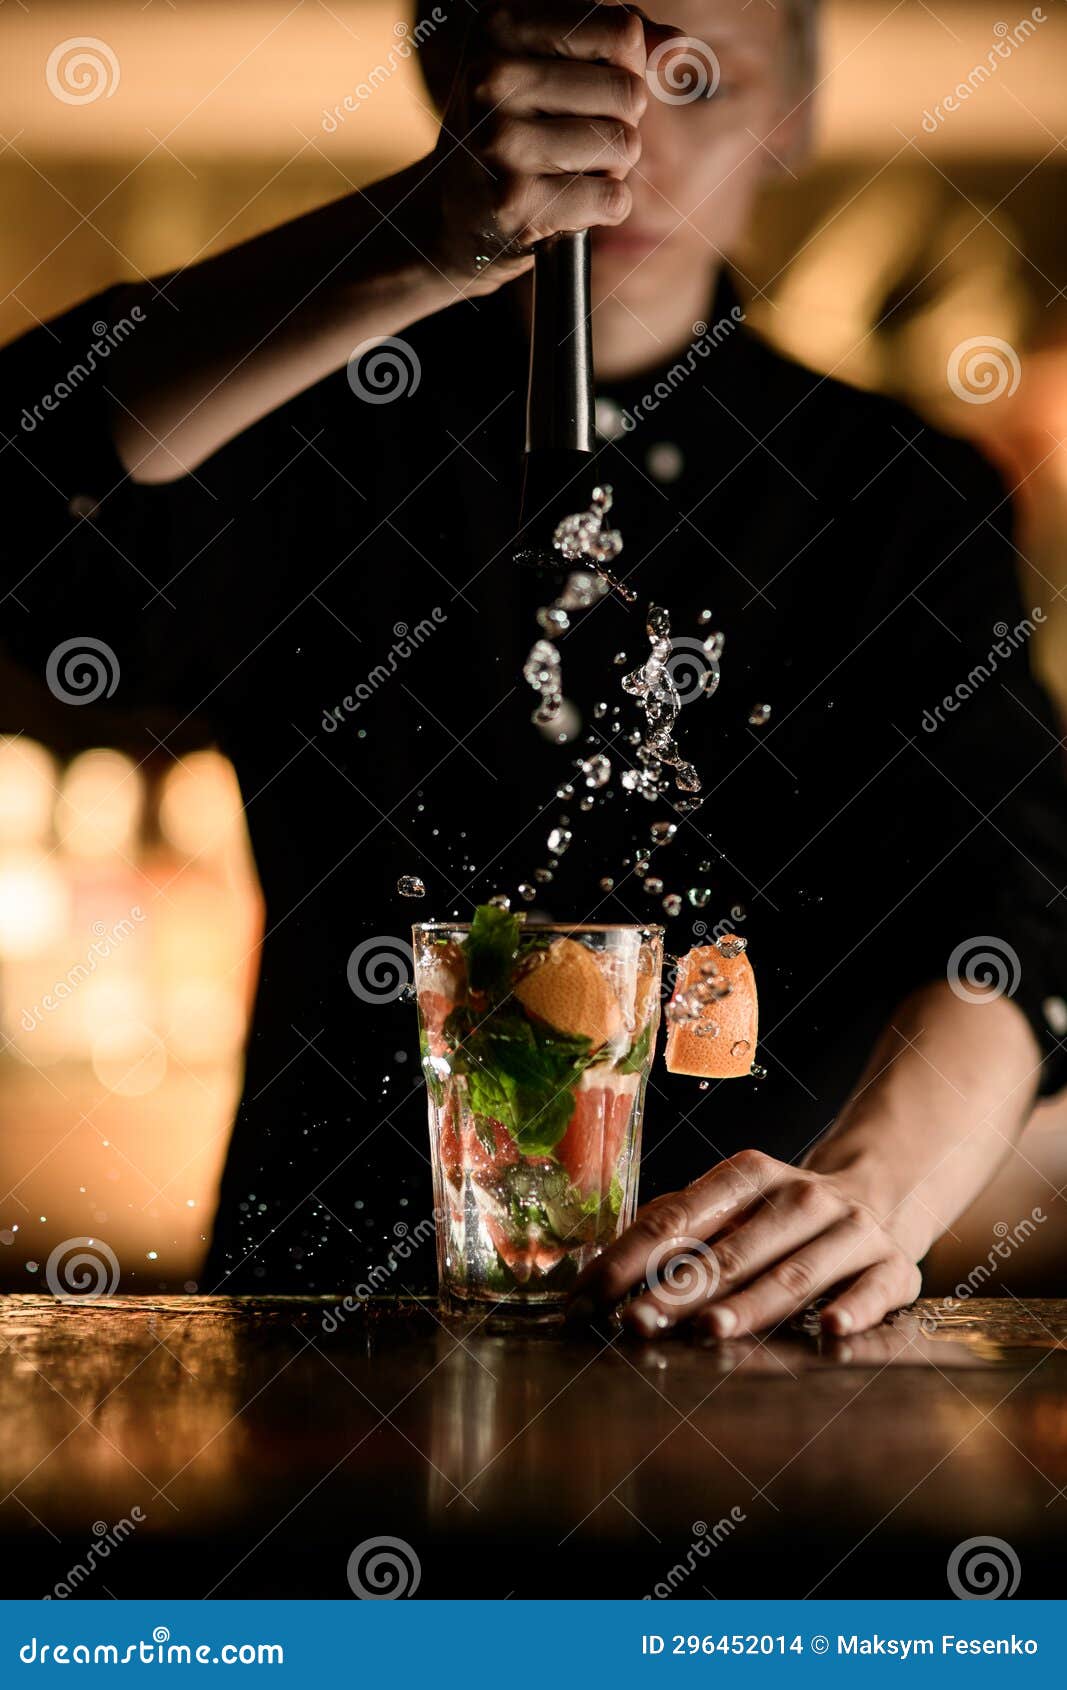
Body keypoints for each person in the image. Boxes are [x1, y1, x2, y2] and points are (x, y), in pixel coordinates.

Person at [2, 0, 1064, 1335]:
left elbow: (1021, 896)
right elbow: (24, 505)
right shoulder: (309, 442)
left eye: (691, 75)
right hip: (327, 1336)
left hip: (758, 1346)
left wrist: (874, 1196)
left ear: (788, 117)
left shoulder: (898, 495)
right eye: (575, 76)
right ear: (454, 72)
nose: (624, 144)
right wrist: (411, 242)